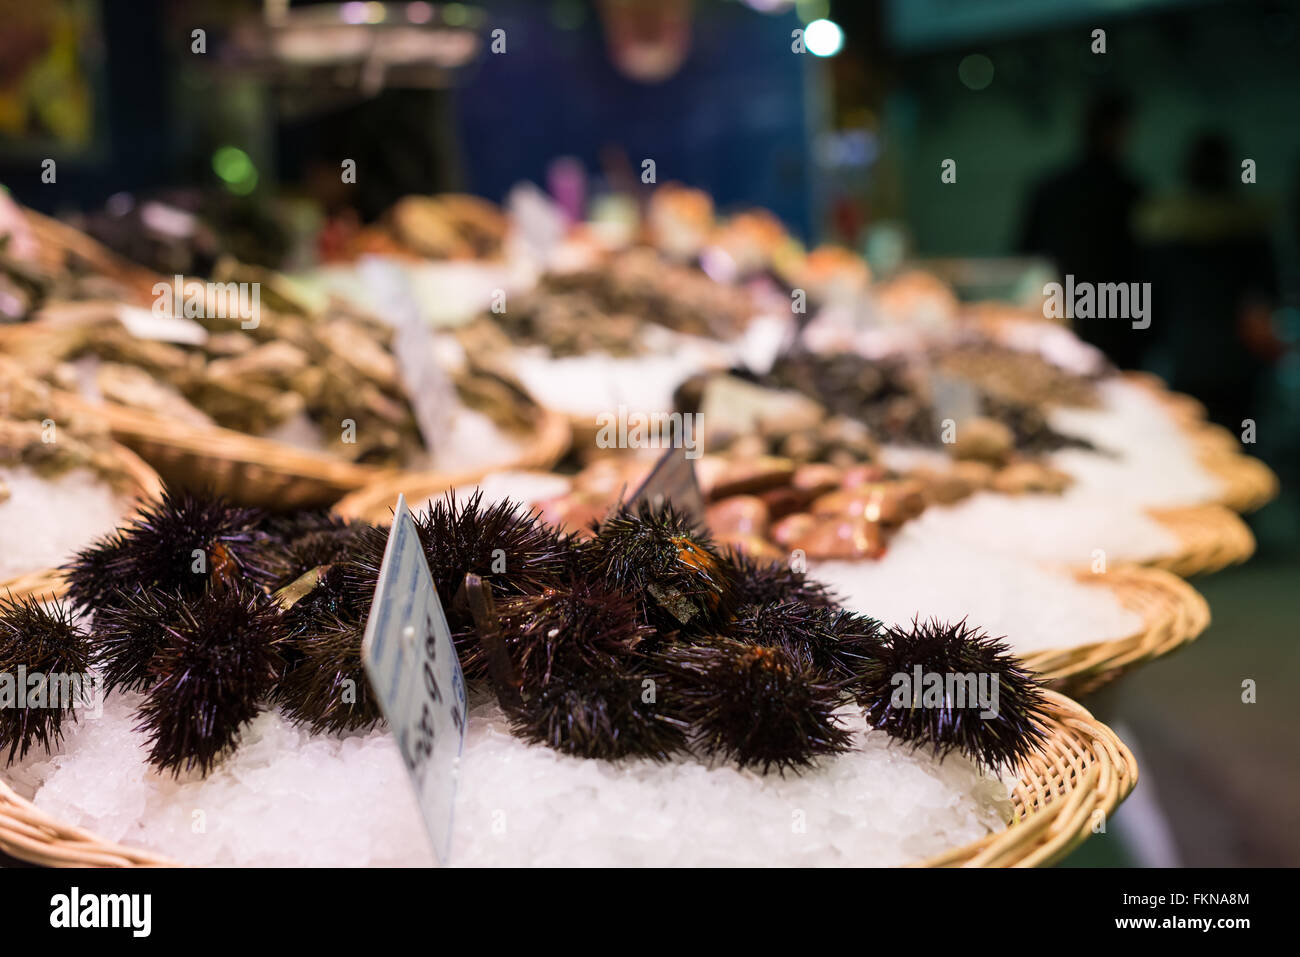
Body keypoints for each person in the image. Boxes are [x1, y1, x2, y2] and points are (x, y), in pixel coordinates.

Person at [1136, 132, 1281, 430]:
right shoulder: (1249, 229)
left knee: (1193, 443)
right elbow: (1269, 295)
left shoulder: (1169, 230)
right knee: (1239, 446)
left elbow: (1150, 302)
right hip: (1238, 364)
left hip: (1187, 357)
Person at [1020, 93, 1145, 369]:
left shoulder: (1051, 189)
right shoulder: (1130, 192)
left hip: (1067, 321)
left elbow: (1024, 258)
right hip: (1117, 322)